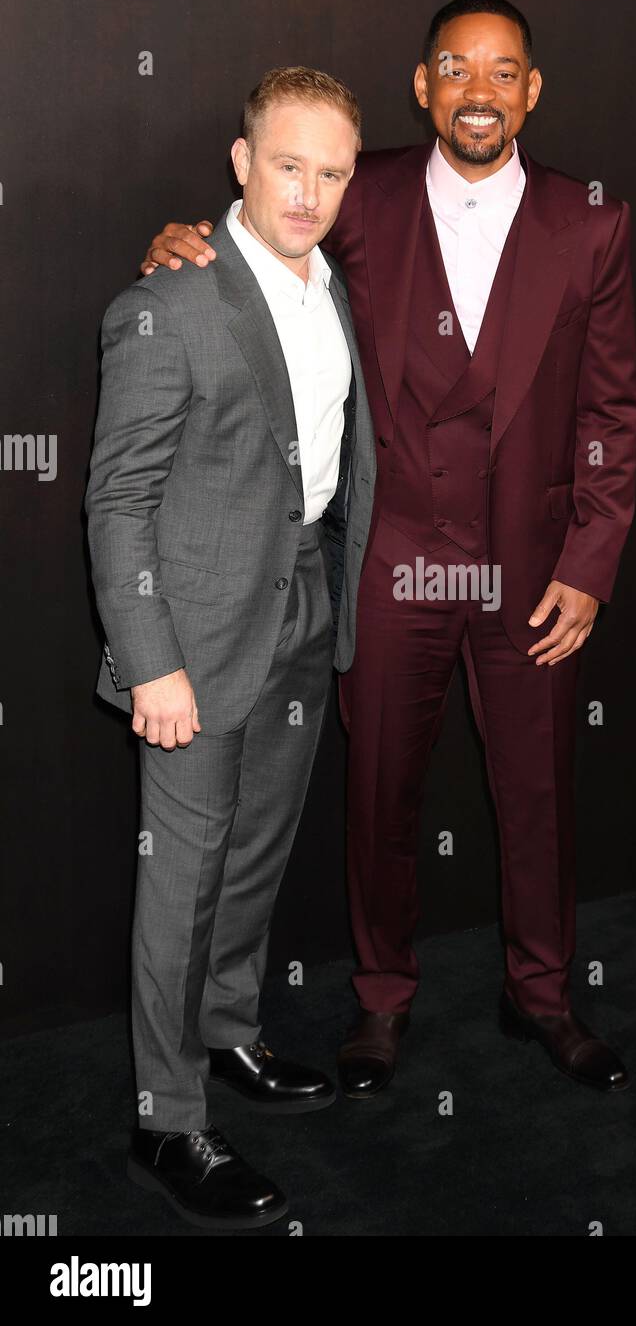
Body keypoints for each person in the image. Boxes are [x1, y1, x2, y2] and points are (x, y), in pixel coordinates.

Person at [140, 0, 636, 1097]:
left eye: (502, 71)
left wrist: (590, 563)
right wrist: (179, 243)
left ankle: (544, 995)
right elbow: (260, 240)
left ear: (532, 91)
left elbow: (613, 411)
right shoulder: (356, 195)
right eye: (455, 68)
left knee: (539, 793)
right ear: (424, 87)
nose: (478, 89)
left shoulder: (590, 223)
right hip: (391, 556)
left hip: (533, 575)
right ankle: (379, 1000)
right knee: (378, 795)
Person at [86, 67, 376, 1228]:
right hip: (194, 639)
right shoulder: (169, 302)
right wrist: (149, 657)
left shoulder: (332, 286)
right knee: (183, 878)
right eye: (288, 164)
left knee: (256, 853)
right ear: (241, 162)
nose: (308, 192)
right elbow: (117, 500)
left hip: (301, 607)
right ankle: (167, 1115)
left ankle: (229, 1032)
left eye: (333, 171)